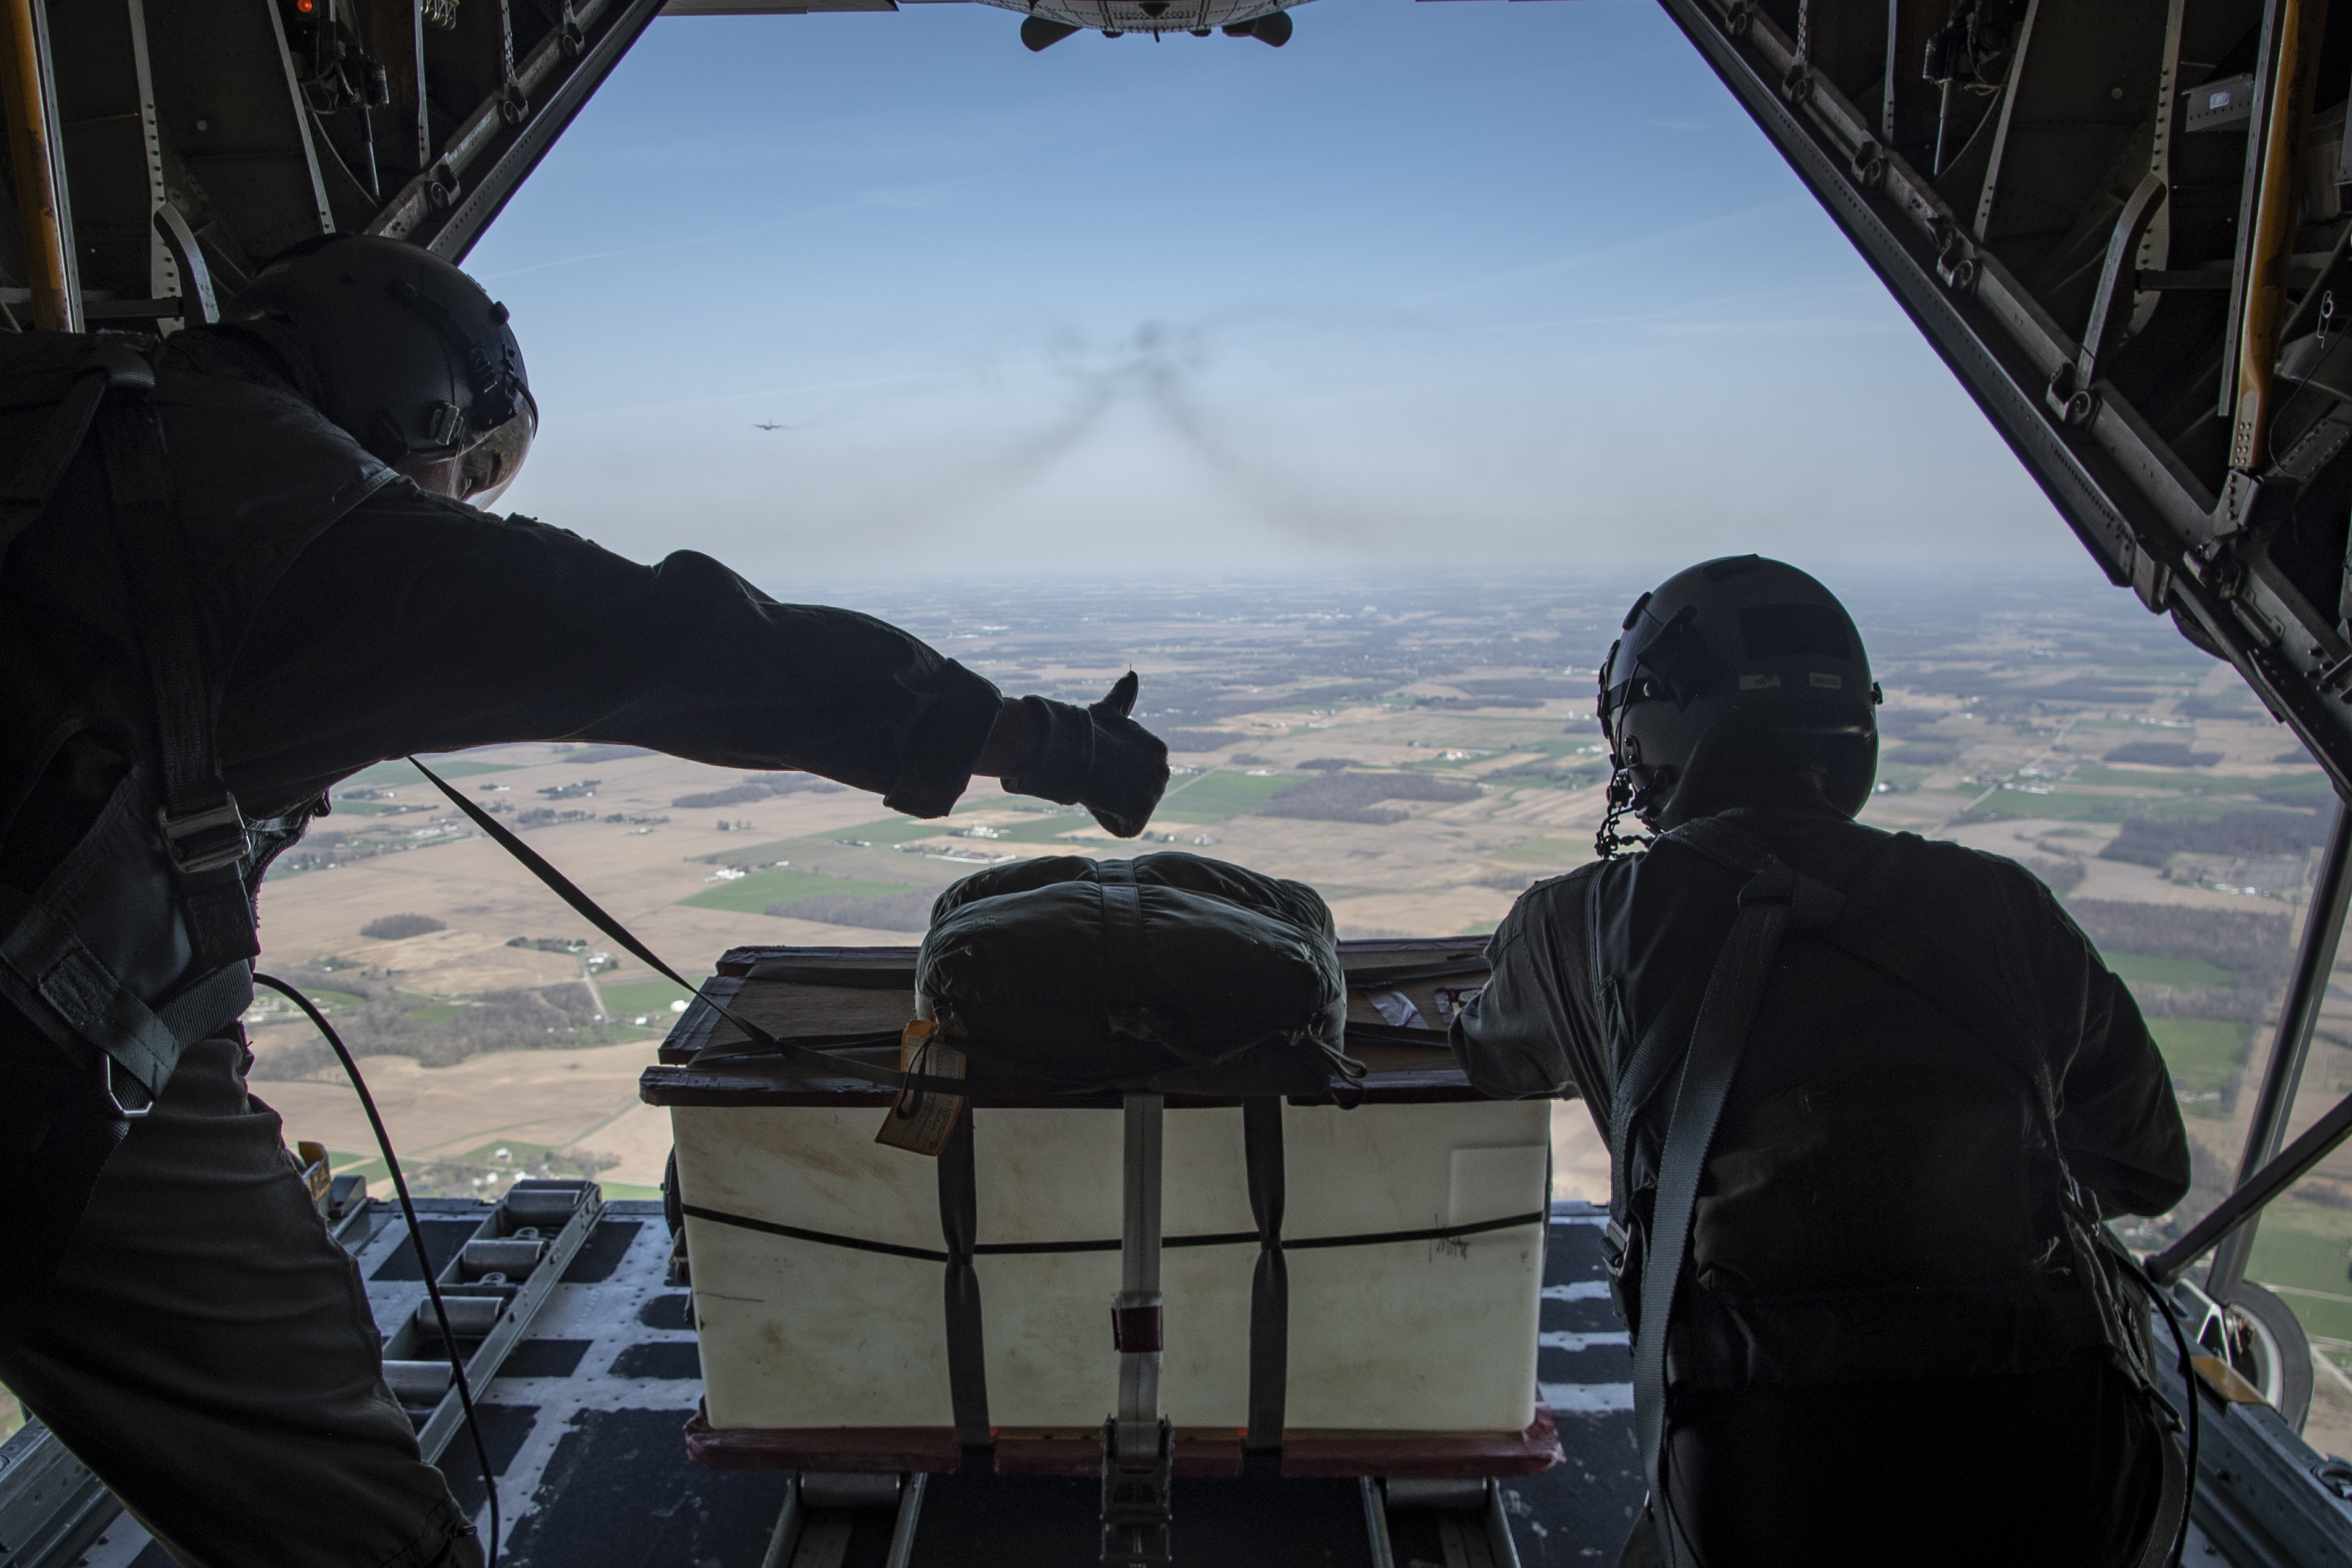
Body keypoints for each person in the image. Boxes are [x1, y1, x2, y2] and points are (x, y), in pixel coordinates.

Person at [0, 235, 1168, 1568]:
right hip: (41, 1054)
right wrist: (1038, 740)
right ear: (417, 400)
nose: (460, 503)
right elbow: (687, 645)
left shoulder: (65, 409)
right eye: (468, 465)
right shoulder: (284, 515)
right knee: (349, 1519)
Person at [1451, 556, 2189, 1568]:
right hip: (2062, 1465)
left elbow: (1488, 1053)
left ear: (1650, 729)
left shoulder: (1585, 924)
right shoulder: (2002, 904)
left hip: (1777, 1480)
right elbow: (2148, 1166)